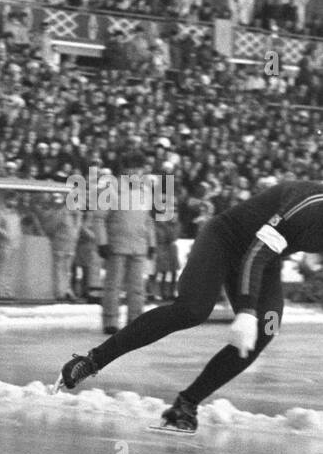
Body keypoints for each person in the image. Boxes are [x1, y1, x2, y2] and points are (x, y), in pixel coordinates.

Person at [57, 181, 323, 432]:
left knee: (268, 328)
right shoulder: (308, 204)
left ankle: (186, 404)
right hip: (226, 241)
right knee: (192, 310)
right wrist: (246, 310)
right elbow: (255, 254)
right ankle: (92, 361)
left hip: (265, 258)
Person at [97, 156, 155, 333]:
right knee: (113, 286)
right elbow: (99, 218)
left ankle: (135, 320)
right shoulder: (111, 190)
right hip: (117, 244)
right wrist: (102, 242)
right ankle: (110, 321)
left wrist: (152, 243)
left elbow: (148, 220)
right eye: (132, 170)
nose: (136, 173)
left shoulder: (145, 191)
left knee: (137, 287)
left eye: (139, 170)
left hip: (139, 245)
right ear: (124, 172)